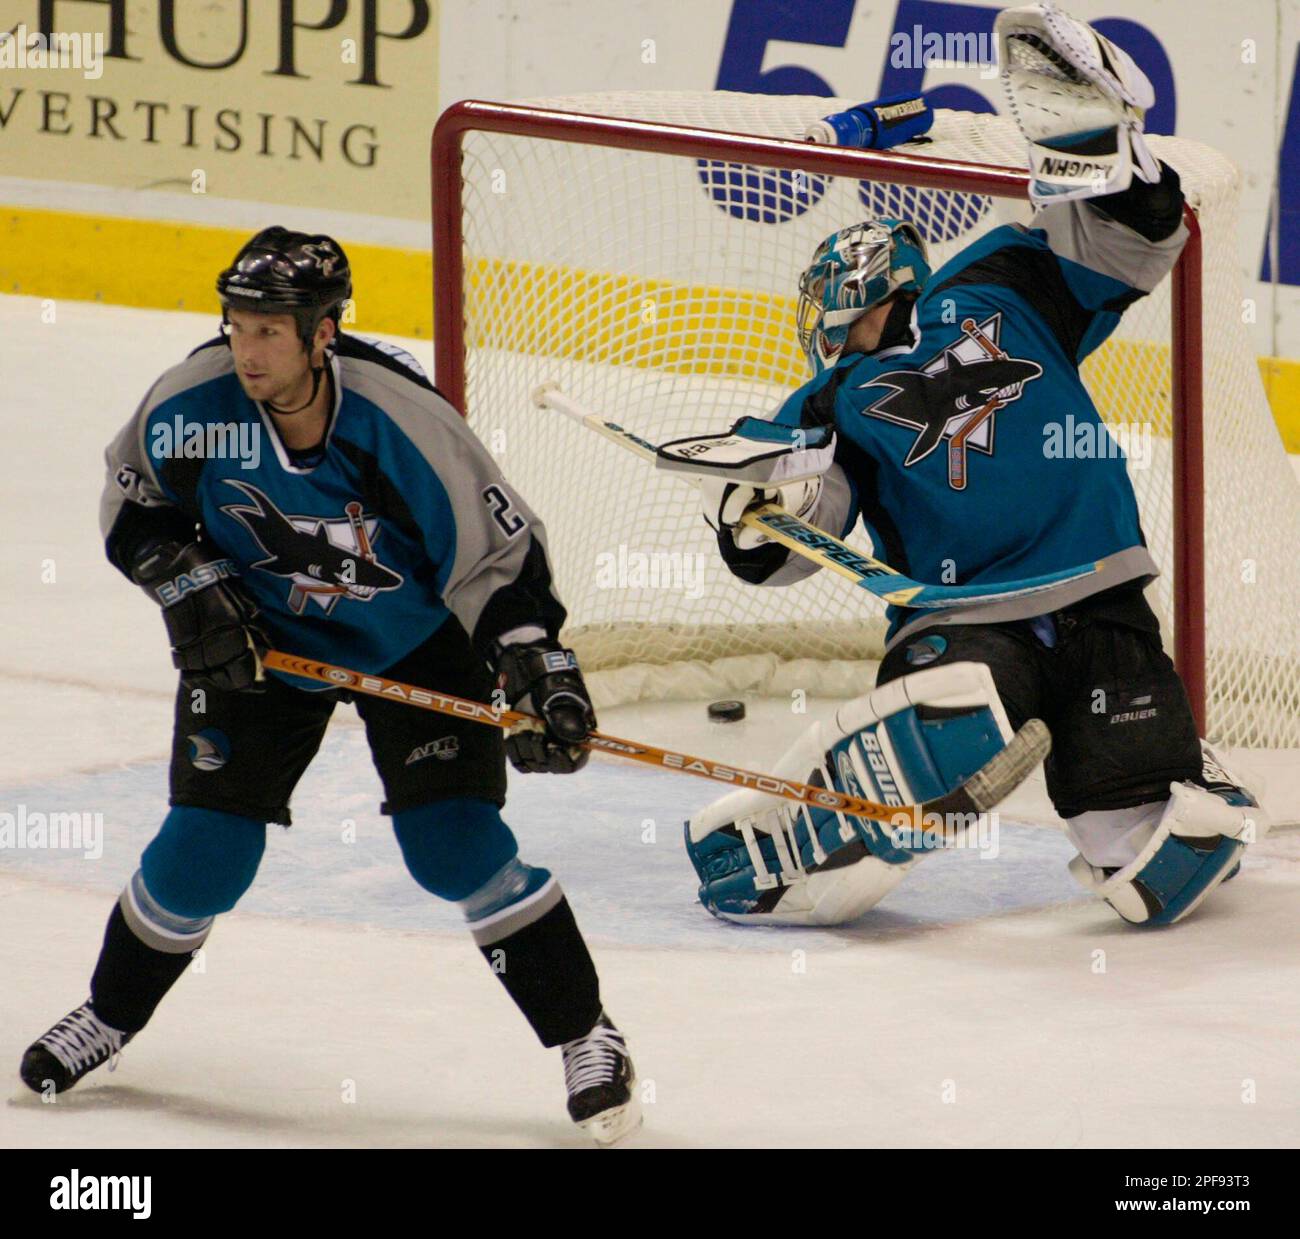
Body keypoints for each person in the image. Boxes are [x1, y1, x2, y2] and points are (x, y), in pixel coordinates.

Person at [19, 226, 639, 1146]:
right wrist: (189, 584)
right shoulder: (194, 402)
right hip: (265, 645)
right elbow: (134, 504)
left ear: (323, 332)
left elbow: (497, 559)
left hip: (414, 645)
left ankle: (587, 1034)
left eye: (270, 330)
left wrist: (534, 664)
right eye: (237, 325)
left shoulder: (399, 420)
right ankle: (109, 1015)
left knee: (455, 847)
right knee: (203, 853)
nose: (247, 348)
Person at [684, 4, 1265, 928]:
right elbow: (794, 535)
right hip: (963, 613)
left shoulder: (997, 278)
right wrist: (752, 518)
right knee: (953, 715)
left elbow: (1137, 243)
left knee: (1147, 862)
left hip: (1099, 588)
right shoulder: (825, 403)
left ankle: (1176, 786)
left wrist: (1109, 161)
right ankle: (827, 824)